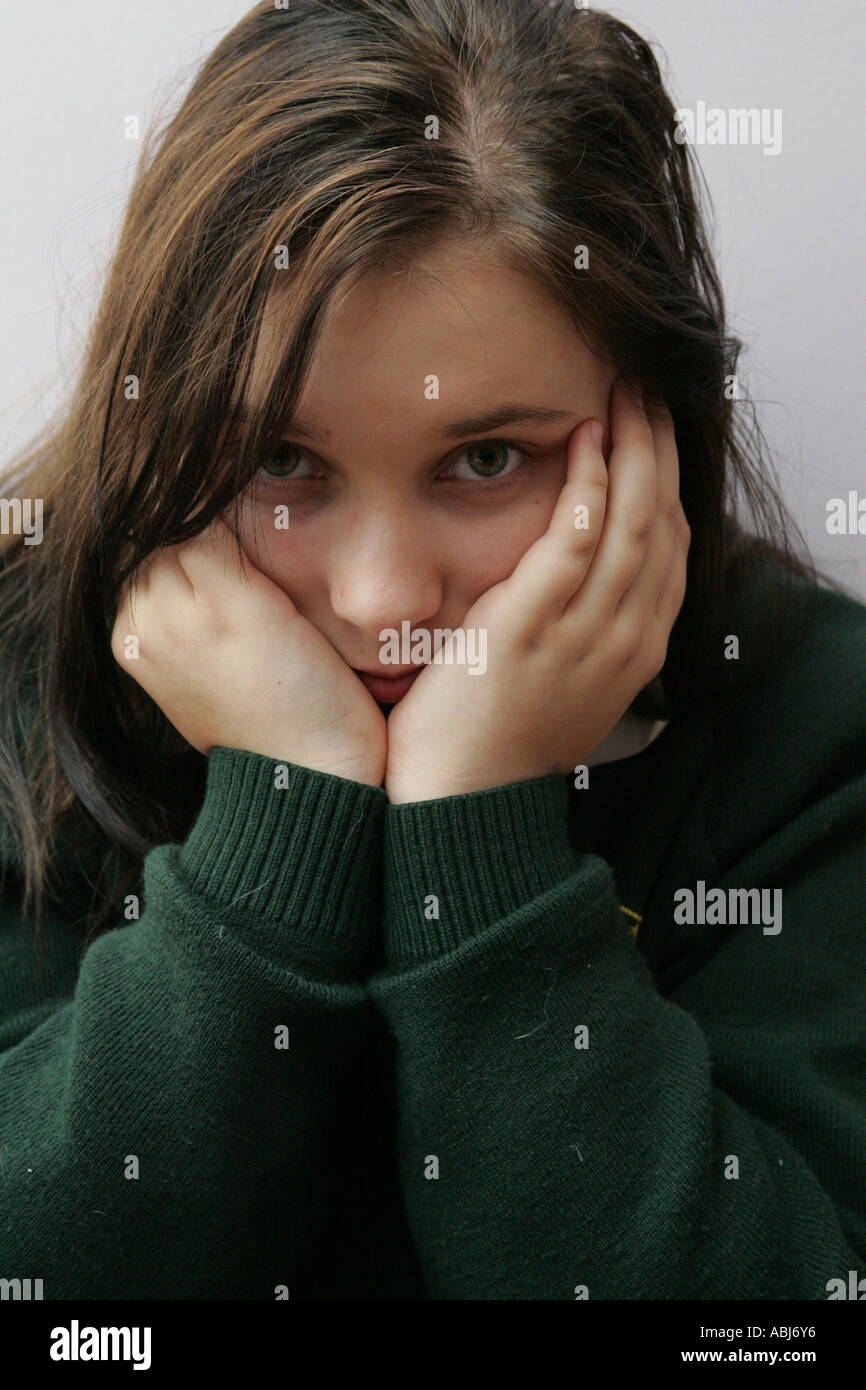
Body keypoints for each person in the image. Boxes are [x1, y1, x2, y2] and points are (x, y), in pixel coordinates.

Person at [0, 0, 863, 1301]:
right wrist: (274, 833)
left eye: (485, 458)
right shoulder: (17, 672)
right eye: (280, 459)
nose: (379, 595)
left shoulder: (816, 724)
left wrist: (483, 834)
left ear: (650, 441)